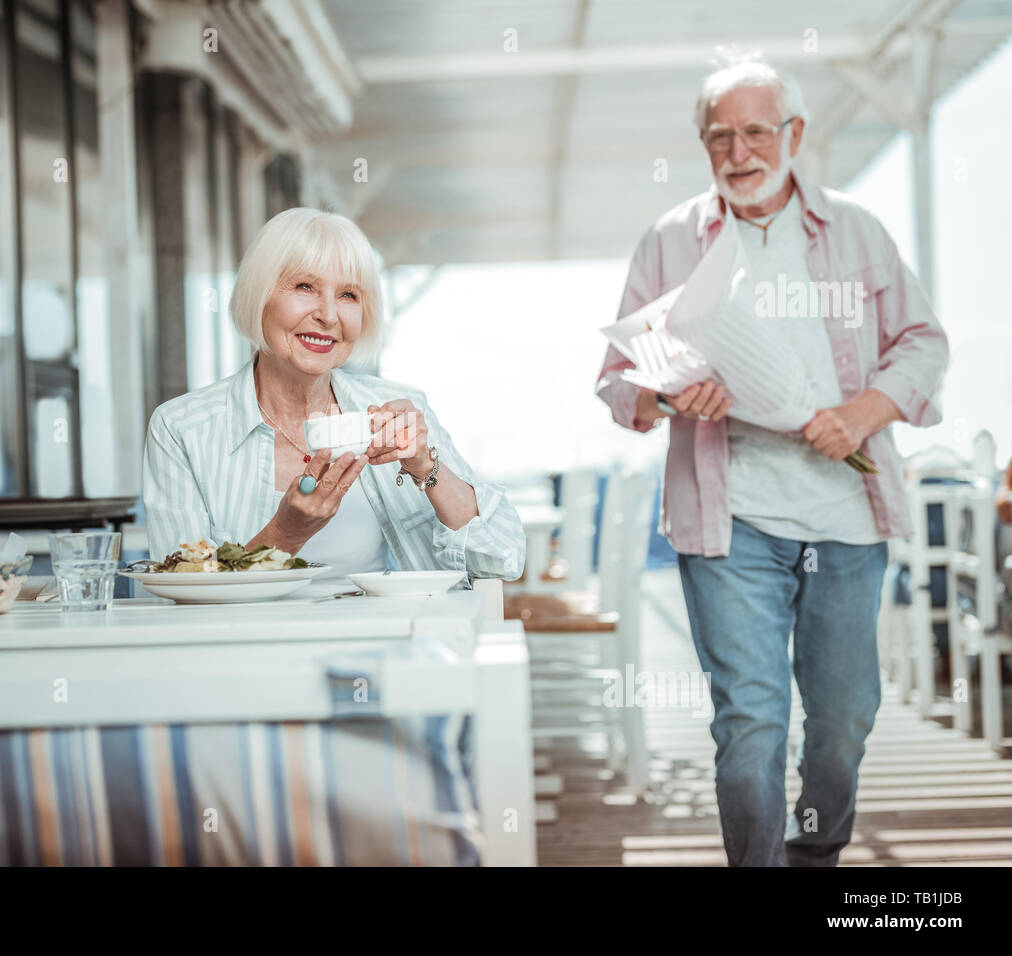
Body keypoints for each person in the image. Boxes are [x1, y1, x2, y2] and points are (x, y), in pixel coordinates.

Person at [596, 51, 949, 866]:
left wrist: (867, 411)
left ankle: (814, 856)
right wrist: (669, 396)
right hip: (731, 521)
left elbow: (923, 343)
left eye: (757, 132)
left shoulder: (856, 229)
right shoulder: (670, 241)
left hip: (846, 517)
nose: (739, 153)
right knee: (751, 716)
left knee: (843, 712)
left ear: (795, 133)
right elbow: (619, 380)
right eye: (719, 138)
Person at [142, 207, 525, 580]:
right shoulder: (182, 428)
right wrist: (285, 535)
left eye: (348, 295)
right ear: (258, 297)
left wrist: (426, 468)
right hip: (248, 645)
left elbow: (501, 559)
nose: (328, 315)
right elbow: (180, 594)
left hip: (380, 643)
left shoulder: (396, 413)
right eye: (304, 287)